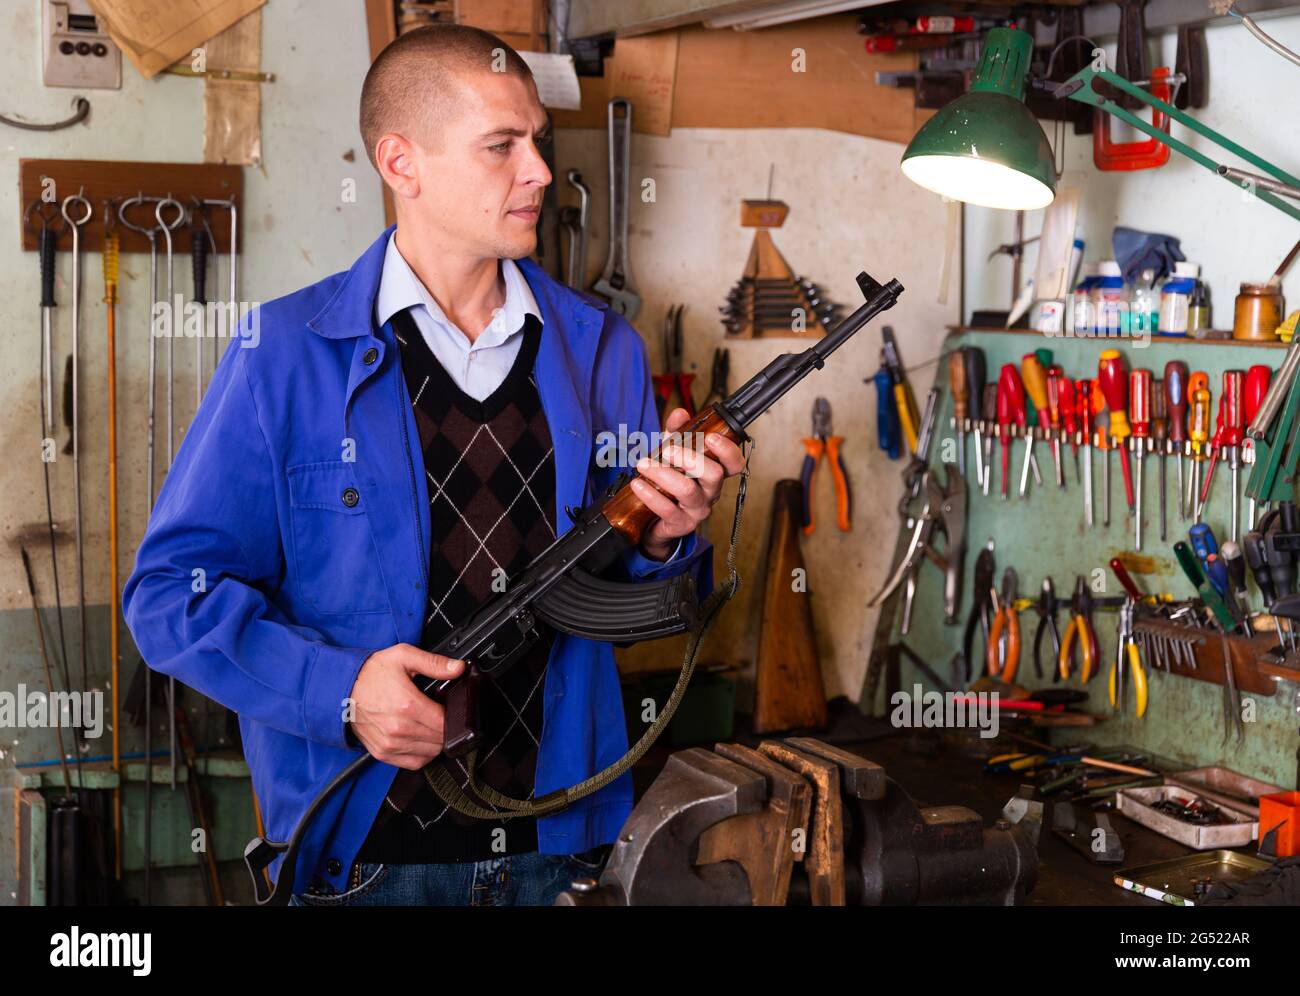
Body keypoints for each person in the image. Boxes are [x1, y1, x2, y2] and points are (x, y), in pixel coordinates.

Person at [122, 23, 744, 906]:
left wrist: (667, 538)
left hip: (566, 849)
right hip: (364, 860)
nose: (536, 171)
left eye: (538, 141)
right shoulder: (286, 355)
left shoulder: (599, 347)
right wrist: (341, 693)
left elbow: (640, 607)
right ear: (400, 163)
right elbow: (167, 596)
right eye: (502, 146)